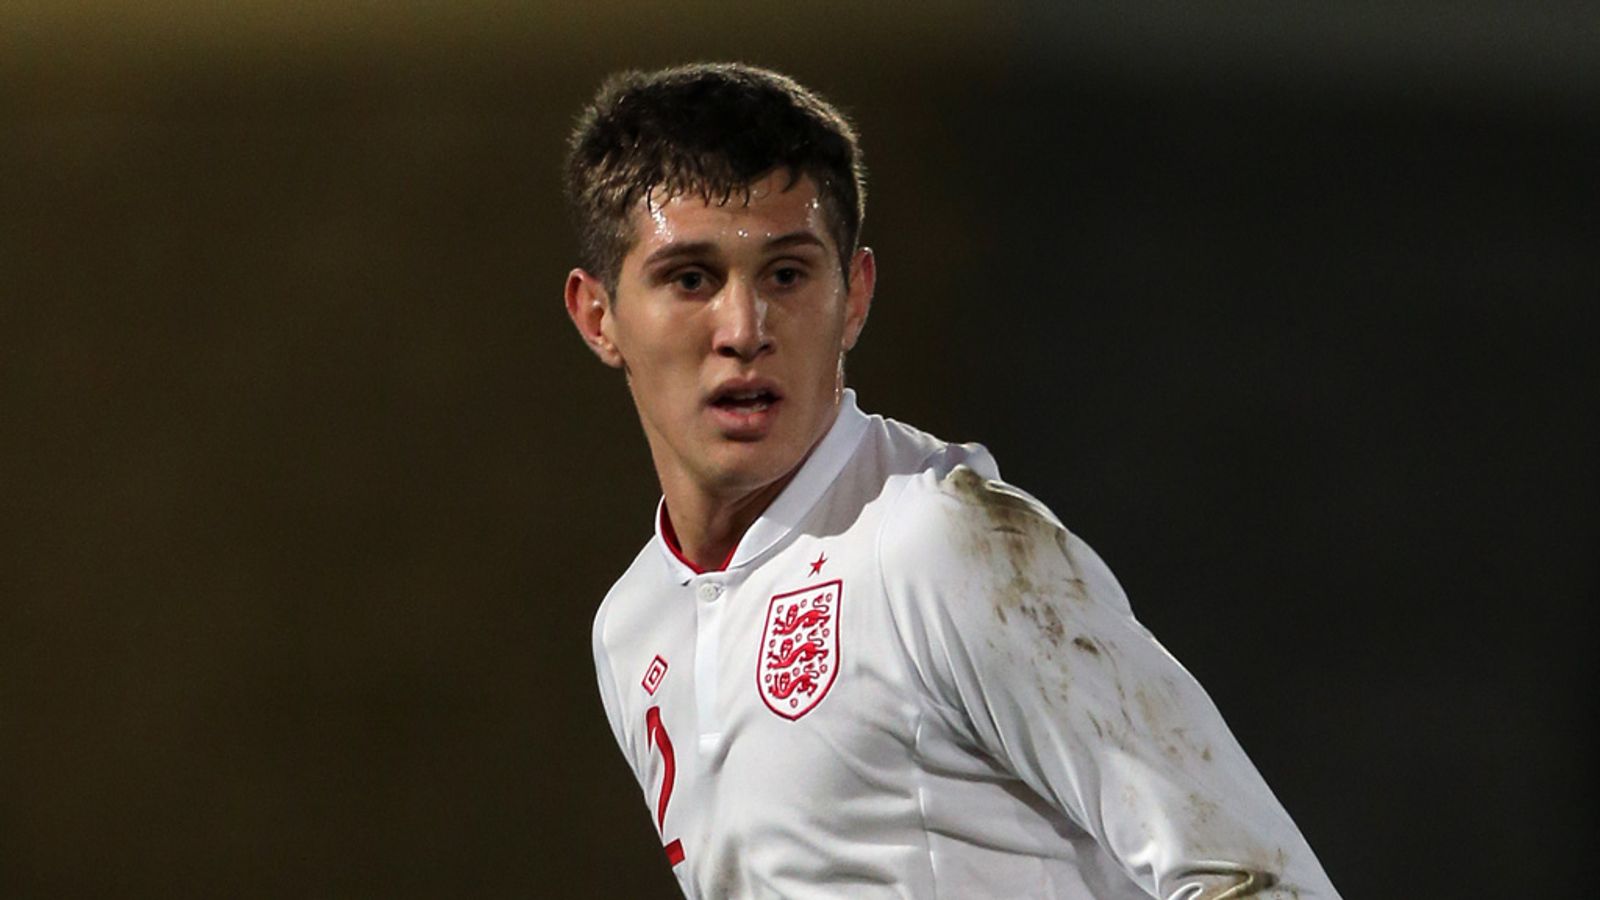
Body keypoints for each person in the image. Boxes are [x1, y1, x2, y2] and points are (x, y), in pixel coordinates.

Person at [562, 62, 1340, 900]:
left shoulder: (938, 542)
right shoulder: (634, 626)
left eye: (787, 275)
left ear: (853, 296)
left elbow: (1257, 880)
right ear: (598, 316)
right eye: (691, 279)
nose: (744, 328)